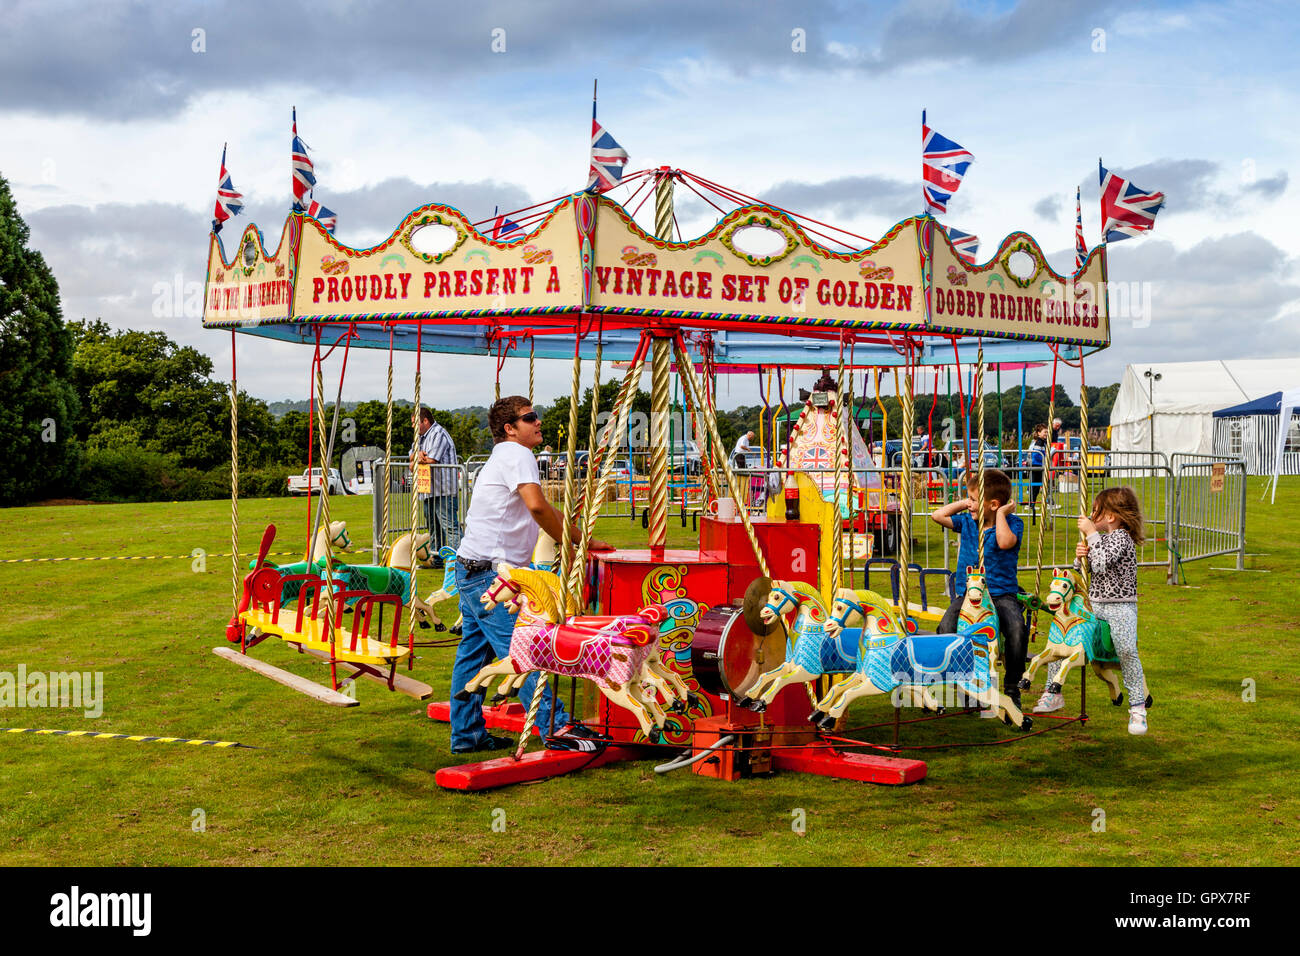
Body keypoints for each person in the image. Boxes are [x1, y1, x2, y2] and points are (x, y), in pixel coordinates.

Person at [449, 394, 613, 754]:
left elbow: (544, 507)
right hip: (491, 575)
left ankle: (467, 734)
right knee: (525, 652)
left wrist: (581, 537)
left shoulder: (504, 456)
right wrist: (573, 543)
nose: (538, 422)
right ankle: (557, 727)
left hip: (473, 567)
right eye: (530, 417)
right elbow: (538, 508)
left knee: (472, 654)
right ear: (510, 429)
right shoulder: (517, 454)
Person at [1036, 487, 1150, 734]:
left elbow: (1100, 563)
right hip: (1094, 604)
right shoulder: (1104, 538)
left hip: (1120, 607)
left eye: (1095, 511)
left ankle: (1138, 707)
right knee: (1065, 638)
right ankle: (1052, 692)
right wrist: (1080, 558)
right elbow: (1088, 566)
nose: (1089, 516)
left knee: (1126, 651)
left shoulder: (1121, 537)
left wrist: (1090, 534)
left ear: (1110, 516)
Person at [929, 468, 1026, 708]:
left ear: (994, 504)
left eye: (974, 500)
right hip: (968, 594)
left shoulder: (1013, 523)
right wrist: (967, 502)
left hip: (1000, 593)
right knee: (947, 627)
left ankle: (1012, 685)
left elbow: (1004, 542)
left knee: (1016, 629)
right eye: (969, 499)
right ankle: (965, 681)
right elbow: (937, 515)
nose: (969, 505)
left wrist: (1001, 514)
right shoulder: (967, 522)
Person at [411, 407, 460, 566]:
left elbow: (432, 460)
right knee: (433, 527)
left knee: (450, 527)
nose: (413, 427)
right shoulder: (420, 437)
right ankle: (437, 560)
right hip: (428, 490)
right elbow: (411, 458)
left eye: (414, 423)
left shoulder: (438, 433)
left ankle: (459, 562)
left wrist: (419, 458)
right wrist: (417, 456)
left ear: (425, 421)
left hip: (444, 490)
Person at [1026, 423, 1050, 519]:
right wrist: (1045, 458)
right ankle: (1031, 503)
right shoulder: (1039, 442)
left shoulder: (1043, 442)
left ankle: (1034, 503)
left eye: (1047, 432)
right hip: (1036, 466)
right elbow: (1036, 455)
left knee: (1039, 485)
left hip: (1039, 466)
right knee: (1035, 486)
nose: (1046, 434)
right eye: (1045, 432)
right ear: (1039, 433)